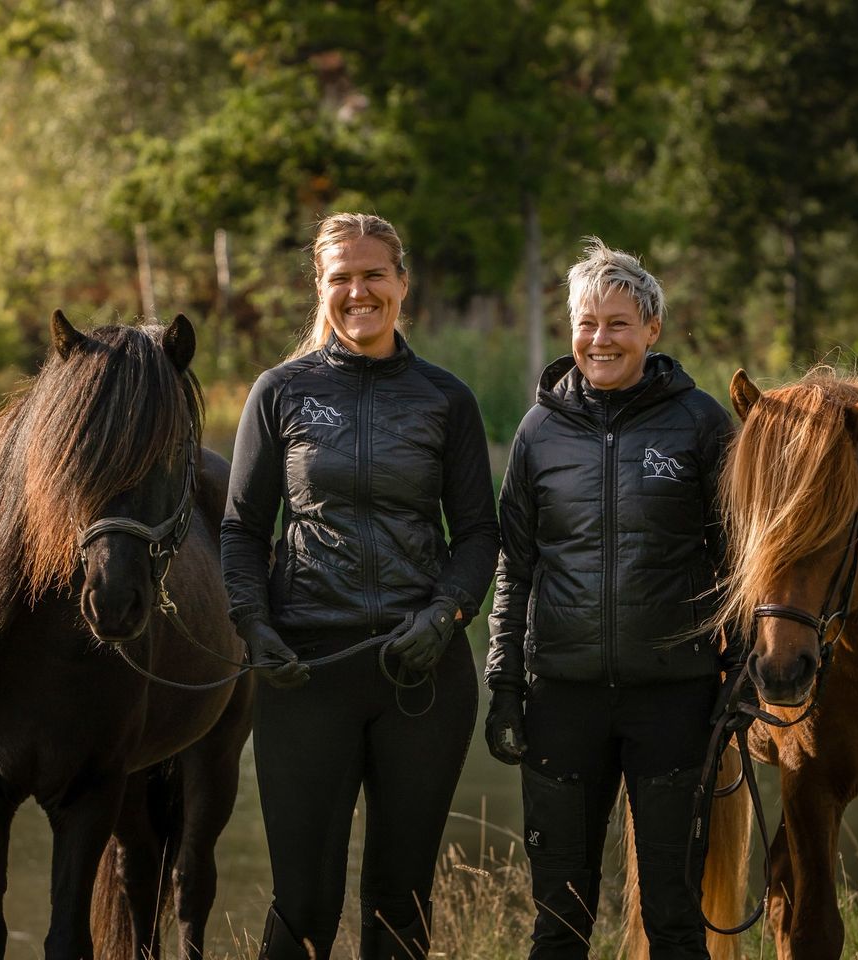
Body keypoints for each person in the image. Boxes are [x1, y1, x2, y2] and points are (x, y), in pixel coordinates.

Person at [221, 213, 500, 960]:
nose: (358, 290)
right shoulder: (279, 392)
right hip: (306, 671)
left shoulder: (447, 399)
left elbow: (478, 534)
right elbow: (241, 531)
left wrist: (445, 615)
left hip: (422, 676)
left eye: (373, 273)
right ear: (321, 287)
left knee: (399, 896)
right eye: (340, 276)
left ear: (402, 283)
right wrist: (253, 625)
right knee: (303, 900)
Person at [483, 238, 744, 958]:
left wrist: (738, 681)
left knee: (672, 918)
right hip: (561, 702)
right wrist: (503, 682)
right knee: (558, 922)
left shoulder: (700, 425)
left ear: (651, 330)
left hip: (672, 704)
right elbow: (516, 569)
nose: (599, 339)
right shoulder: (537, 432)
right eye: (586, 323)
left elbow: (737, 565)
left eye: (618, 324)